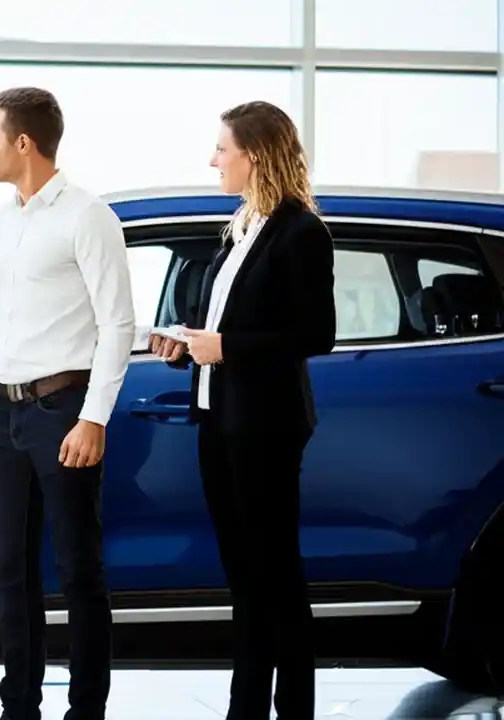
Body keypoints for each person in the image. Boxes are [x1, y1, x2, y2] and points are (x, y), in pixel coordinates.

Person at [0, 87, 136, 720]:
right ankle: (20, 708)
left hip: (64, 411)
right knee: (10, 568)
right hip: (2, 414)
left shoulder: (88, 216)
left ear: (23, 142)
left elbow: (117, 324)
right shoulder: (3, 221)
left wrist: (94, 417)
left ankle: (87, 710)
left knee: (78, 569)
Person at [149, 100, 336, 720]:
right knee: (245, 576)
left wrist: (223, 347)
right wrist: (188, 346)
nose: (213, 160)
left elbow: (315, 333)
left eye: (222, 149)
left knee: (276, 574)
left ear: (253, 154)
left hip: (266, 426)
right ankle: (247, 706)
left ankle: (296, 709)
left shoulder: (301, 231)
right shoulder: (240, 227)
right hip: (220, 419)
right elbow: (228, 327)